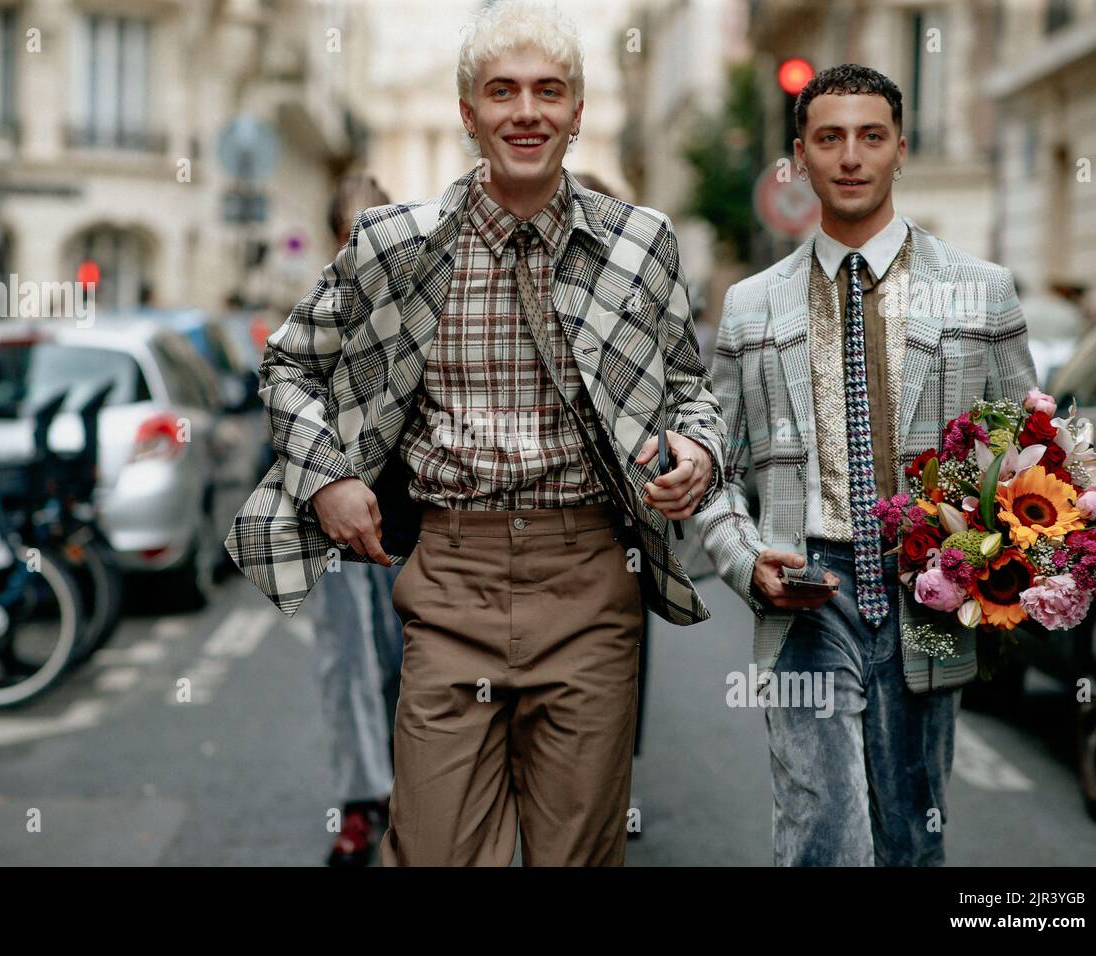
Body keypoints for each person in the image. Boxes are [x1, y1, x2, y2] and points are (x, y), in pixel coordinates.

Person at [225, 0, 726, 866]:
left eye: (548, 91)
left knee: (577, 855)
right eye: (502, 91)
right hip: (449, 584)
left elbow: (692, 393)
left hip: (591, 587)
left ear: (577, 111)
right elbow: (287, 363)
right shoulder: (396, 244)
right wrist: (328, 479)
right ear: (468, 113)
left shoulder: (640, 244)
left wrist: (697, 452)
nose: (525, 111)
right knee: (435, 850)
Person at [694, 64, 1037, 866]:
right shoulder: (751, 304)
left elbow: (1029, 458)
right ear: (801, 158)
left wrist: (1002, 564)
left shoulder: (982, 293)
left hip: (931, 596)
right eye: (830, 138)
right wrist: (745, 560)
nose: (851, 156)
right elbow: (713, 463)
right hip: (807, 592)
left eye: (870, 137)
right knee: (820, 833)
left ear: (900, 150)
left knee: (911, 839)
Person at [309, 173, 405, 867]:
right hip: (339, 527)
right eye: (352, 231)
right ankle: (362, 803)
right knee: (347, 662)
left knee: (405, 663)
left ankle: (411, 792)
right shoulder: (314, 318)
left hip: (409, 525)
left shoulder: (421, 312)